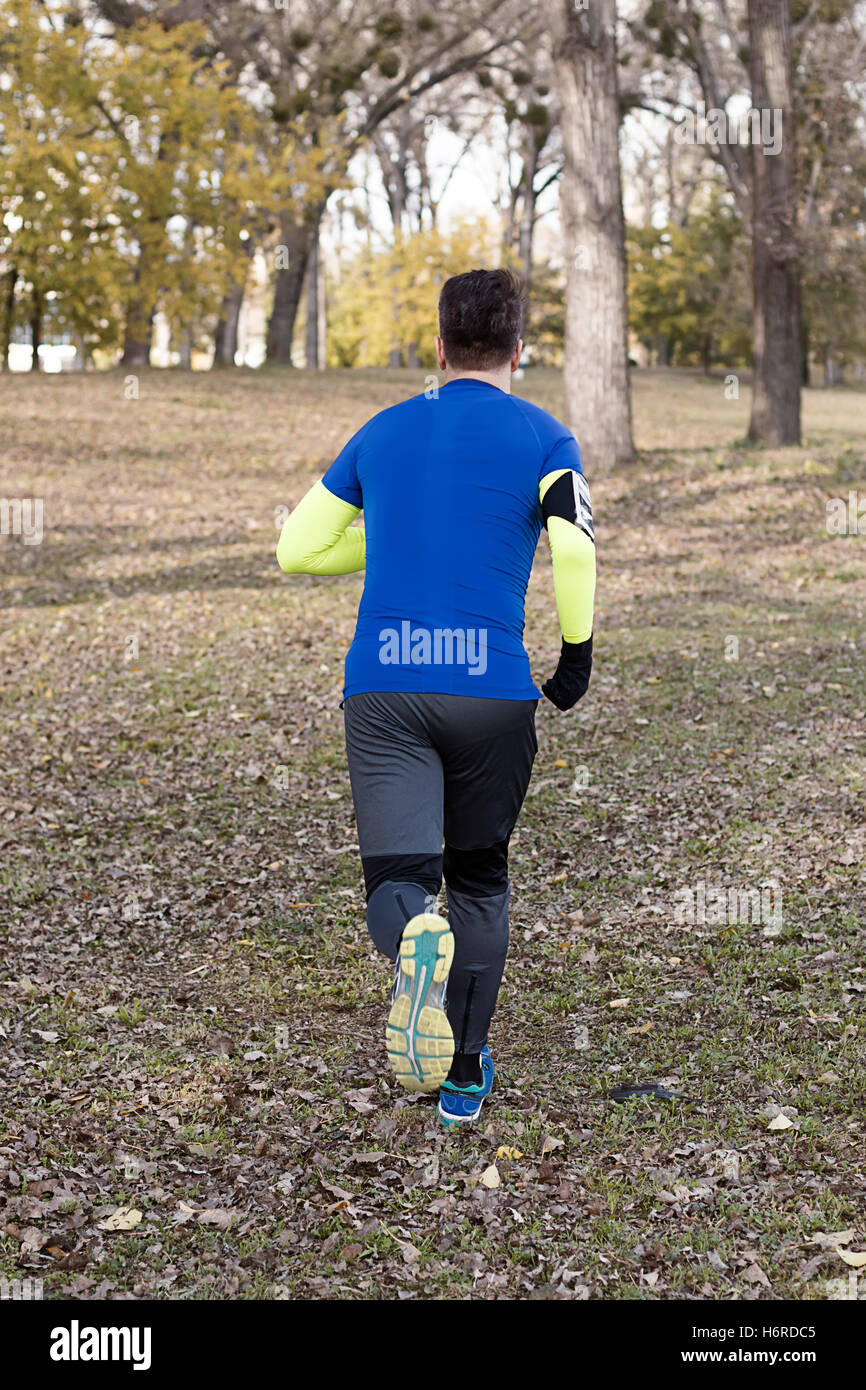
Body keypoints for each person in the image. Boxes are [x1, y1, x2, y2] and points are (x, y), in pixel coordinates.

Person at [276, 268, 595, 1127]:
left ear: (441, 348)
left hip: (385, 685)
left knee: (400, 882)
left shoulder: (381, 431)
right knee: (481, 880)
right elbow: (573, 554)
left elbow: (298, 551)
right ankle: (462, 1074)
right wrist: (575, 658)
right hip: (491, 692)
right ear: (519, 351)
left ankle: (416, 930)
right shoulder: (545, 436)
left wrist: (383, 549)